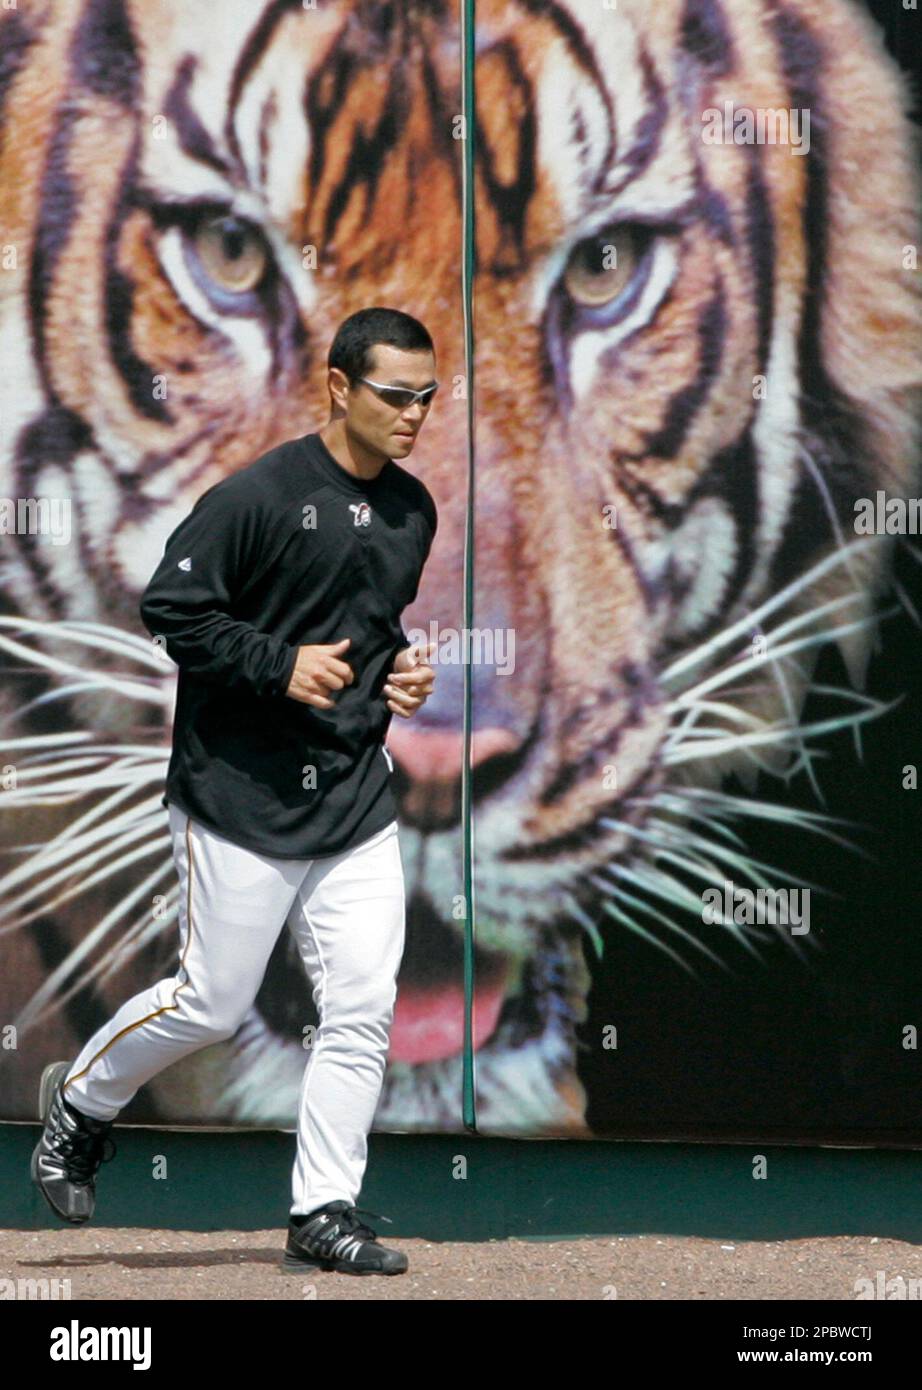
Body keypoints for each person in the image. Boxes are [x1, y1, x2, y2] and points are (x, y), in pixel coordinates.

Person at [31, 306, 439, 1277]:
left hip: (351, 800)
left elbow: (364, 633)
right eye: (394, 395)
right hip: (238, 796)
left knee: (361, 1006)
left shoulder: (412, 509)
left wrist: (397, 677)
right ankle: (82, 1101)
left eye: (426, 397)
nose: (414, 414)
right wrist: (275, 664)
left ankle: (323, 1210)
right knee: (211, 1003)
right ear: (339, 389)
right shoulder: (257, 497)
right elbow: (171, 609)